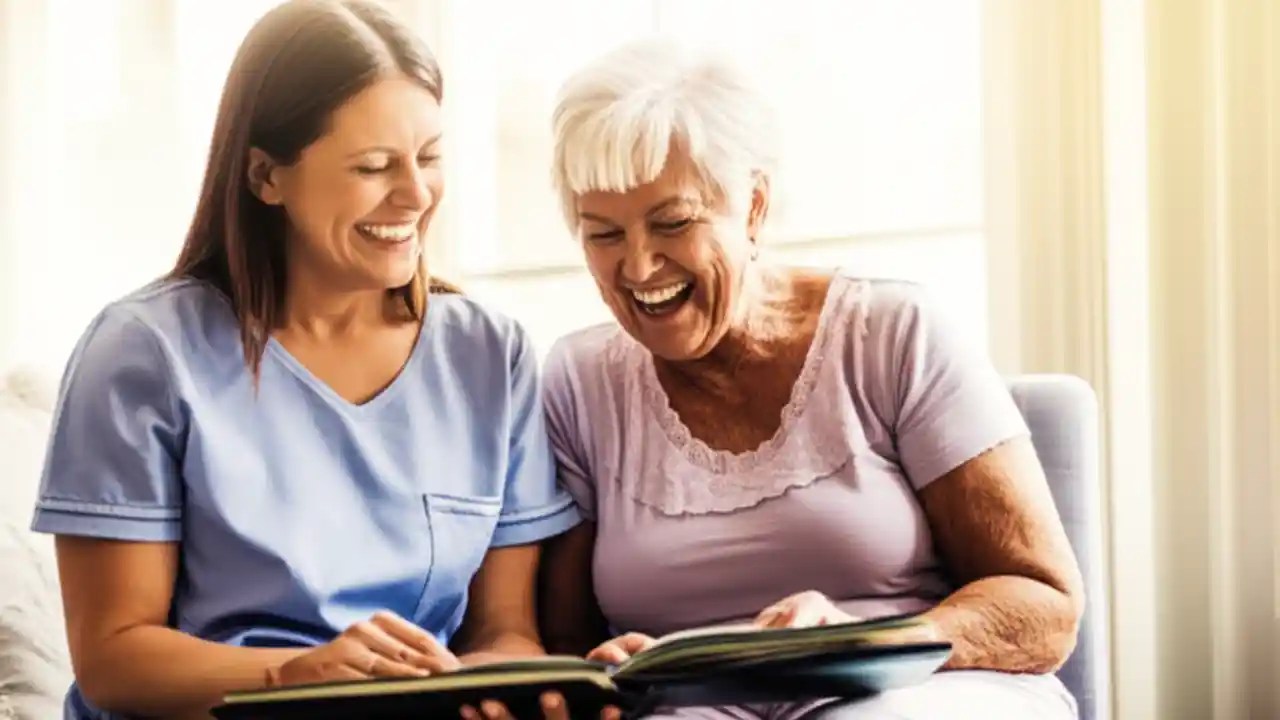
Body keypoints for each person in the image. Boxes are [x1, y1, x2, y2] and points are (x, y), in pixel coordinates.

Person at [29, 2, 580, 718]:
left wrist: (485, 689)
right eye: (373, 166)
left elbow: (504, 632)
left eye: (429, 157)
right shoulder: (143, 353)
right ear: (266, 176)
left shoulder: (488, 355)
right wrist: (295, 676)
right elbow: (113, 658)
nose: (416, 195)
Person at [537, 37, 1085, 719]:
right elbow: (560, 644)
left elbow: (1044, 604)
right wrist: (605, 667)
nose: (640, 267)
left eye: (672, 223)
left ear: (754, 207)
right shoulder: (578, 382)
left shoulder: (894, 333)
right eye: (604, 235)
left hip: (913, 688)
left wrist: (859, 644)